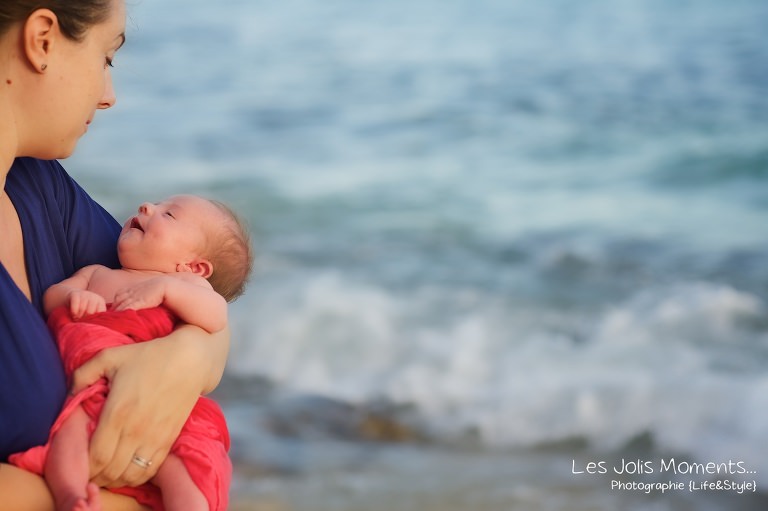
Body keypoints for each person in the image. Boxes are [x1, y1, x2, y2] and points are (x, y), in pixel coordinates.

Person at [0, 2, 232, 510]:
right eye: (107, 57)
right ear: (42, 39)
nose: (109, 97)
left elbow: (188, 300)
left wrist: (183, 359)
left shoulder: (37, 188)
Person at [11, 194, 253, 511]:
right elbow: (53, 297)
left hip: (162, 405)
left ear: (194, 266)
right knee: (67, 438)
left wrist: (167, 290)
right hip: (92, 386)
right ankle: (71, 495)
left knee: (188, 466)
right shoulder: (96, 273)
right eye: (155, 204)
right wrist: (73, 296)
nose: (147, 207)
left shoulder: (185, 285)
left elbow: (216, 316)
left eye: (169, 216)